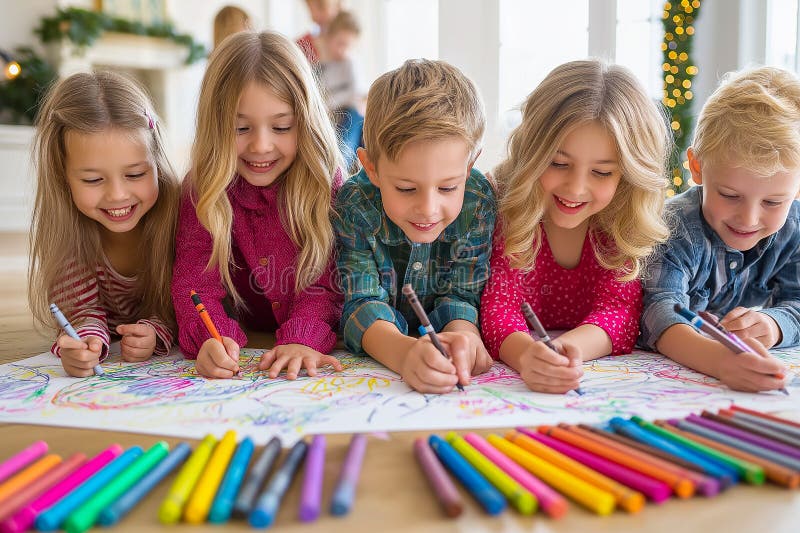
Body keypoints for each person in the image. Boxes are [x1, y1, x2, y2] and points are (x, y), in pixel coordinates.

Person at [481, 59, 671, 394]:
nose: (576, 188)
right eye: (558, 163)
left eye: (601, 172)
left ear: (627, 176)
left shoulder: (619, 220)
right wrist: (527, 356)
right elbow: (499, 307)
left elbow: (620, 312)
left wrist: (563, 352)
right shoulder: (506, 207)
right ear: (532, 152)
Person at [172, 31, 345, 380]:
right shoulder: (203, 186)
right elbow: (194, 282)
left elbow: (328, 280)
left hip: (314, 338)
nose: (261, 145)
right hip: (249, 342)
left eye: (281, 127)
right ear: (215, 127)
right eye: (240, 128)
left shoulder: (323, 181)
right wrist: (212, 337)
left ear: (305, 123)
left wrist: (301, 337)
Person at [334, 59, 496, 394]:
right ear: (371, 168)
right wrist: (406, 354)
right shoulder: (355, 203)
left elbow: (462, 294)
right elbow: (360, 303)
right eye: (406, 189)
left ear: (469, 166)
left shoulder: (478, 200)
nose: (428, 209)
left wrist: (465, 336)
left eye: (448, 187)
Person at [641, 66, 800, 392]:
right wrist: (720, 362)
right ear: (697, 167)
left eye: (772, 202)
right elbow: (658, 312)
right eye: (730, 195)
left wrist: (773, 324)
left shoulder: (793, 228)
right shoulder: (673, 228)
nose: (749, 219)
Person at [28, 71, 180, 377]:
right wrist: (85, 342)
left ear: (156, 164)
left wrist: (156, 330)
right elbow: (81, 312)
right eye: (93, 180)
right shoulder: (68, 234)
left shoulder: (178, 219)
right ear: (63, 177)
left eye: (135, 174)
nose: (118, 195)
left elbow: (190, 303)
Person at [315, 10, 364, 170]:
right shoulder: (321, 65)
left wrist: (328, 104)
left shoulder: (350, 63)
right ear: (329, 38)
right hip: (327, 114)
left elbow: (354, 94)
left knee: (354, 116)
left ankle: (341, 163)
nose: (343, 50)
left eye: (349, 46)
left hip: (348, 112)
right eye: (340, 43)